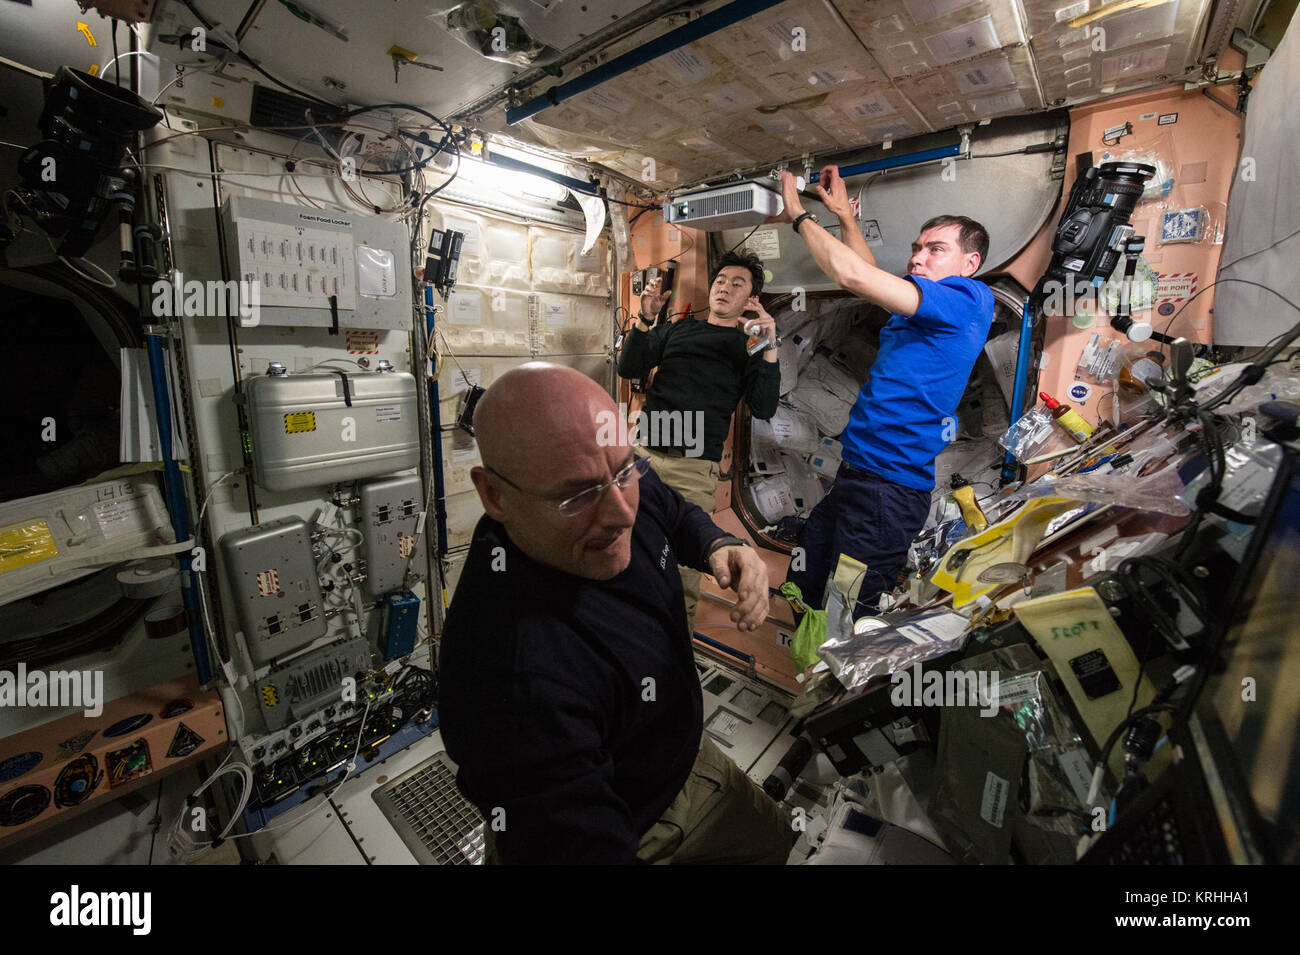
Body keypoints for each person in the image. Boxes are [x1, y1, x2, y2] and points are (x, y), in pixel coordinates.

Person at [438, 363, 796, 864]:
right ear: (494, 495)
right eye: (578, 496)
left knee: (775, 840)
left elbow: (669, 508)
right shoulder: (508, 679)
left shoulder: (609, 478)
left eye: (625, 470)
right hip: (635, 827)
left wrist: (719, 544)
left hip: (681, 761)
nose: (623, 511)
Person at [770, 166, 996, 617]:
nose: (917, 258)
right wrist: (842, 215)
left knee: (847, 608)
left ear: (969, 264)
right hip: (857, 478)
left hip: (888, 493)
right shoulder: (922, 309)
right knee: (806, 583)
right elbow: (870, 277)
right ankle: (806, 661)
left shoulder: (967, 297)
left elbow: (852, 277)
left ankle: (838, 680)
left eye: (935, 250)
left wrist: (798, 214)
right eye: (916, 249)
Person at [617, 250, 781, 630]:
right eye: (721, 280)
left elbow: (764, 407)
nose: (725, 287)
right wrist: (645, 318)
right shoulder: (679, 328)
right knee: (624, 540)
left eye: (738, 284)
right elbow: (629, 367)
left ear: (751, 299)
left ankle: (673, 654)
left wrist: (769, 343)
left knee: (680, 564)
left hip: (692, 467)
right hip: (642, 455)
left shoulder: (749, 343)